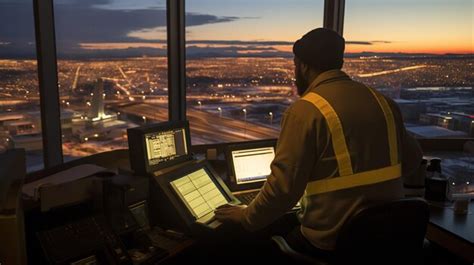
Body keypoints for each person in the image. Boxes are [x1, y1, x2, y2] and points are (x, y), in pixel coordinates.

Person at [214, 28, 423, 254]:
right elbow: (412, 161)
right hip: (388, 240)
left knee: (243, 242)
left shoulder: (306, 111)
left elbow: (282, 191)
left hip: (332, 242)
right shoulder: (383, 102)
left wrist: (246, 216)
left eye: (295, 65)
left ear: (303, 66)